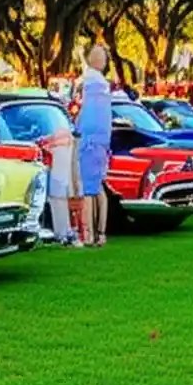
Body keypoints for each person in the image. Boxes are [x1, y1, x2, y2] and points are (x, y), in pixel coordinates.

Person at [75, 45, 113, 246]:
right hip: (102, 141)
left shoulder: (88, 83)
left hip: (88, 140)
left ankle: (88, 234)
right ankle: (101, 233)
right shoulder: (105, 86)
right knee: (99, 188)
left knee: (88, 190)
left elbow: (84, 115)